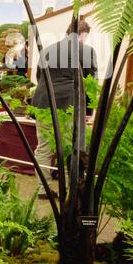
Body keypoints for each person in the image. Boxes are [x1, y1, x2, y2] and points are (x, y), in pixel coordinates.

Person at [30, 20, 98, 183]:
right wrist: (89, 111)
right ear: (82, 35)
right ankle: (71, 190)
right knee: (72, 147)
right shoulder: (86, 51)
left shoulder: (47, 50)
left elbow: (40, 78)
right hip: (70, 105)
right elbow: (90, 83)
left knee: (44, 147)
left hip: (44, 103)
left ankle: (42, 188)